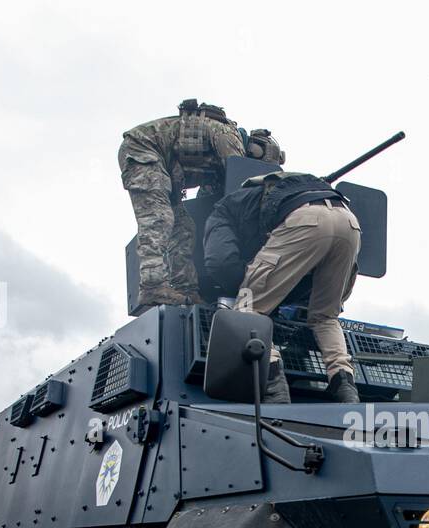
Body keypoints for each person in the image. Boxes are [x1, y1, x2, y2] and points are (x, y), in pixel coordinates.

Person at [204, 171, 362, 404]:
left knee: (248, 309)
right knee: (326, 317)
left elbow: (220, 262)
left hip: (306, 220)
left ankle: (273, 384)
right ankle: (345, 387)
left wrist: (248, 283)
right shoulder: (296, 186)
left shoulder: (231, 206)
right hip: (349, 222)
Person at [119, 100, 285, 308]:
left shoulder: (215, 150)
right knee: (159, 219)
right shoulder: (227, 135)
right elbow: (239, 185)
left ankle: (186, 289)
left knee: (184, 227)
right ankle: (152, 286)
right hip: (143, 150)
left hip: (167, 169)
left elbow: (215, 196)